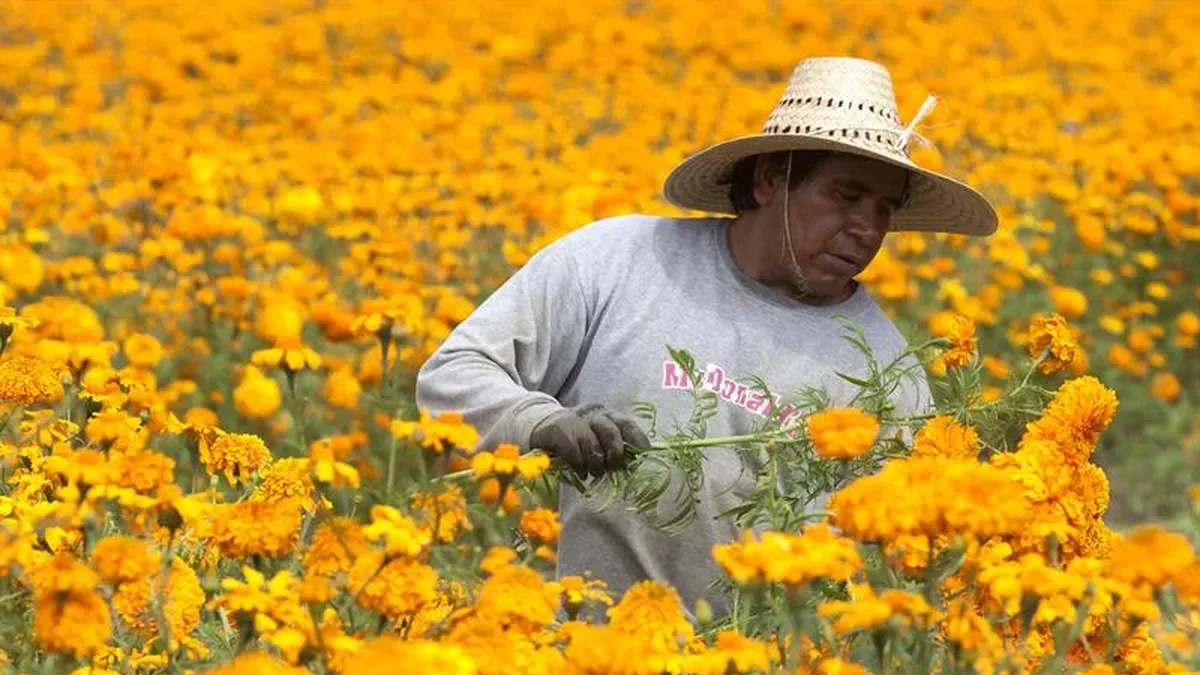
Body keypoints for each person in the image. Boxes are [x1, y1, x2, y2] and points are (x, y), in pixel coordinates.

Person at [415, 56, 998, 618]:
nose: (868, 228)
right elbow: (453, 375)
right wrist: (538, 424)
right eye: (845, 196)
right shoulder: (616, 261)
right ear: (771, 179)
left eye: (884, 208)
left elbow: (901, 558)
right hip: (591, 651)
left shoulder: (891, 374)